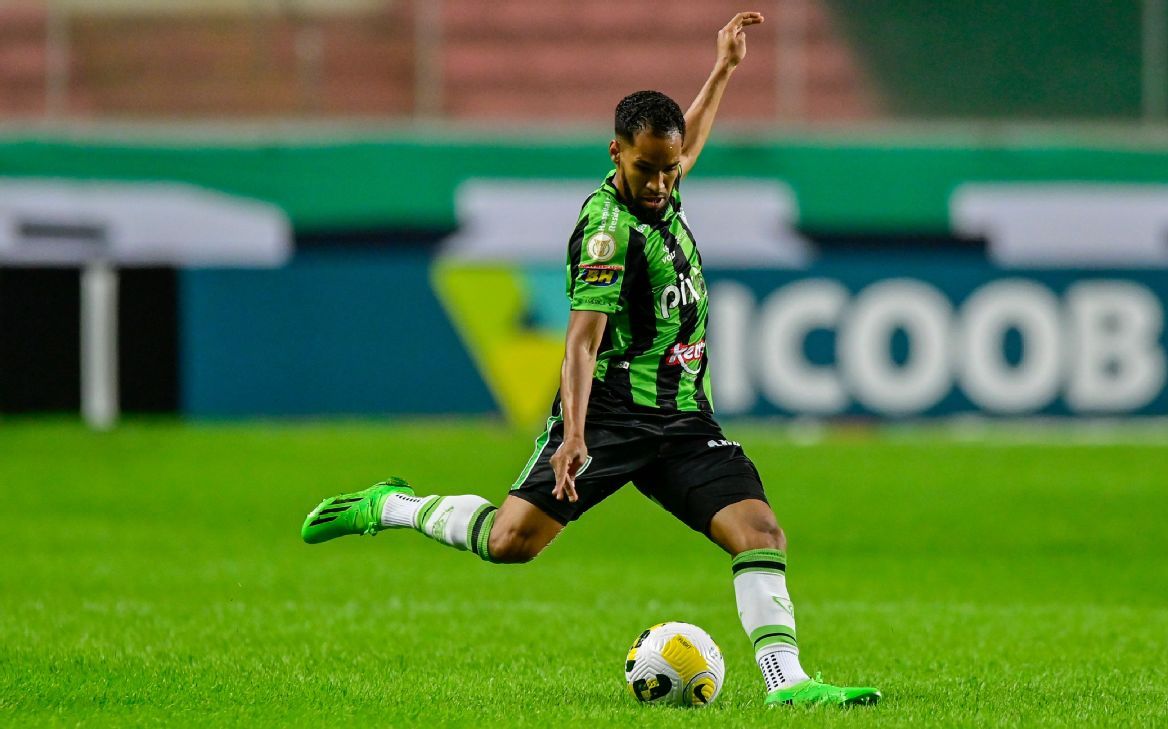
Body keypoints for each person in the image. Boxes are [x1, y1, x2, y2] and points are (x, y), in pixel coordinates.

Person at [300, 11, 880, 707]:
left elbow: (686, 141)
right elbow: (581, 340)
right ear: (616, 153)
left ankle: (788, 685)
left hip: (684, 418)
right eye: (649, 169)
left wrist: (723, 67)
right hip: (609, 418)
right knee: (512, 541)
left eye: (670, 169)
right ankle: (390, 505)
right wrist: (574, 436)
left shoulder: (664, 178)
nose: (665, 182)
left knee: (760, 530)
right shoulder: (609, 232)